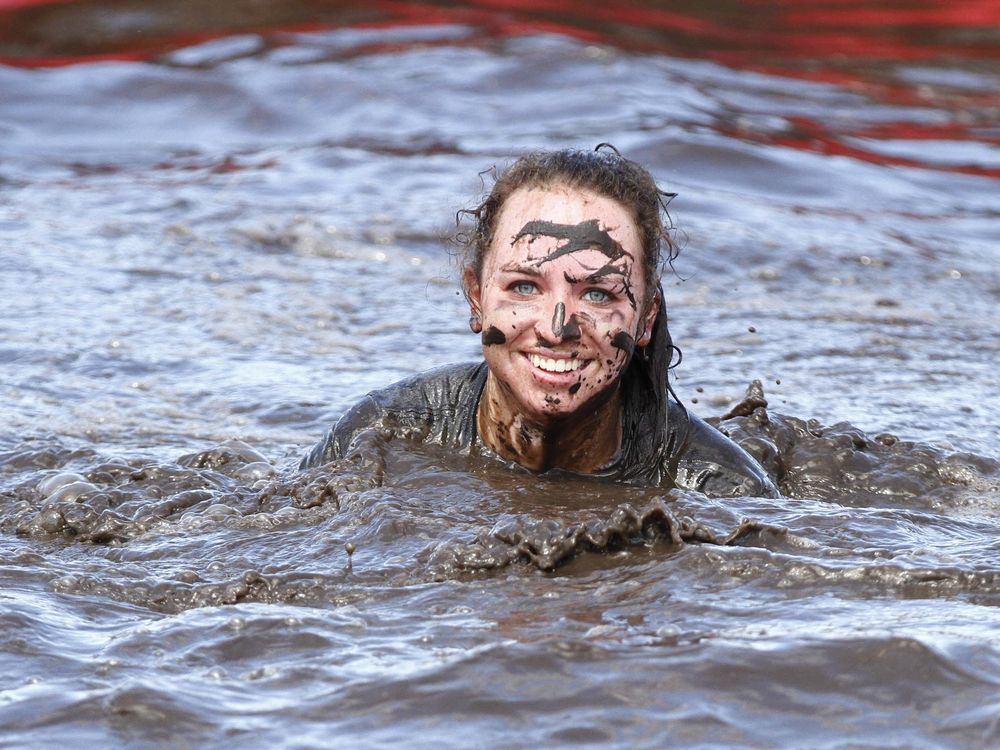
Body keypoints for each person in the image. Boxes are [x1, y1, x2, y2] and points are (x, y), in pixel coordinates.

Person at [301, 146, 778, 498]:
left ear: (645, 318)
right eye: (524, 287)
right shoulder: (387, 434)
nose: (556, 328)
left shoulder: (718, 488)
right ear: (476, 297)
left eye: (597, 293)